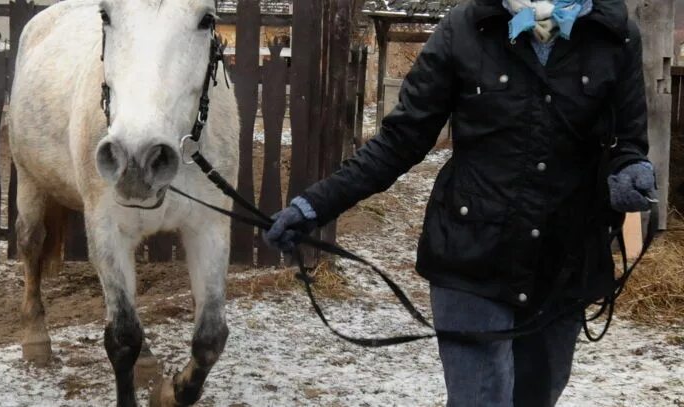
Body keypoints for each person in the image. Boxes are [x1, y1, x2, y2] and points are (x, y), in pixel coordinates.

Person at [264, 0, 655, 405]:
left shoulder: (616, 35)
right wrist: (314, 205)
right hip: (473, 255)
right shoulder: (465, 29)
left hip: (564, 263)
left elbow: (629, 140)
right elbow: (400, 141)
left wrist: (631, 170)